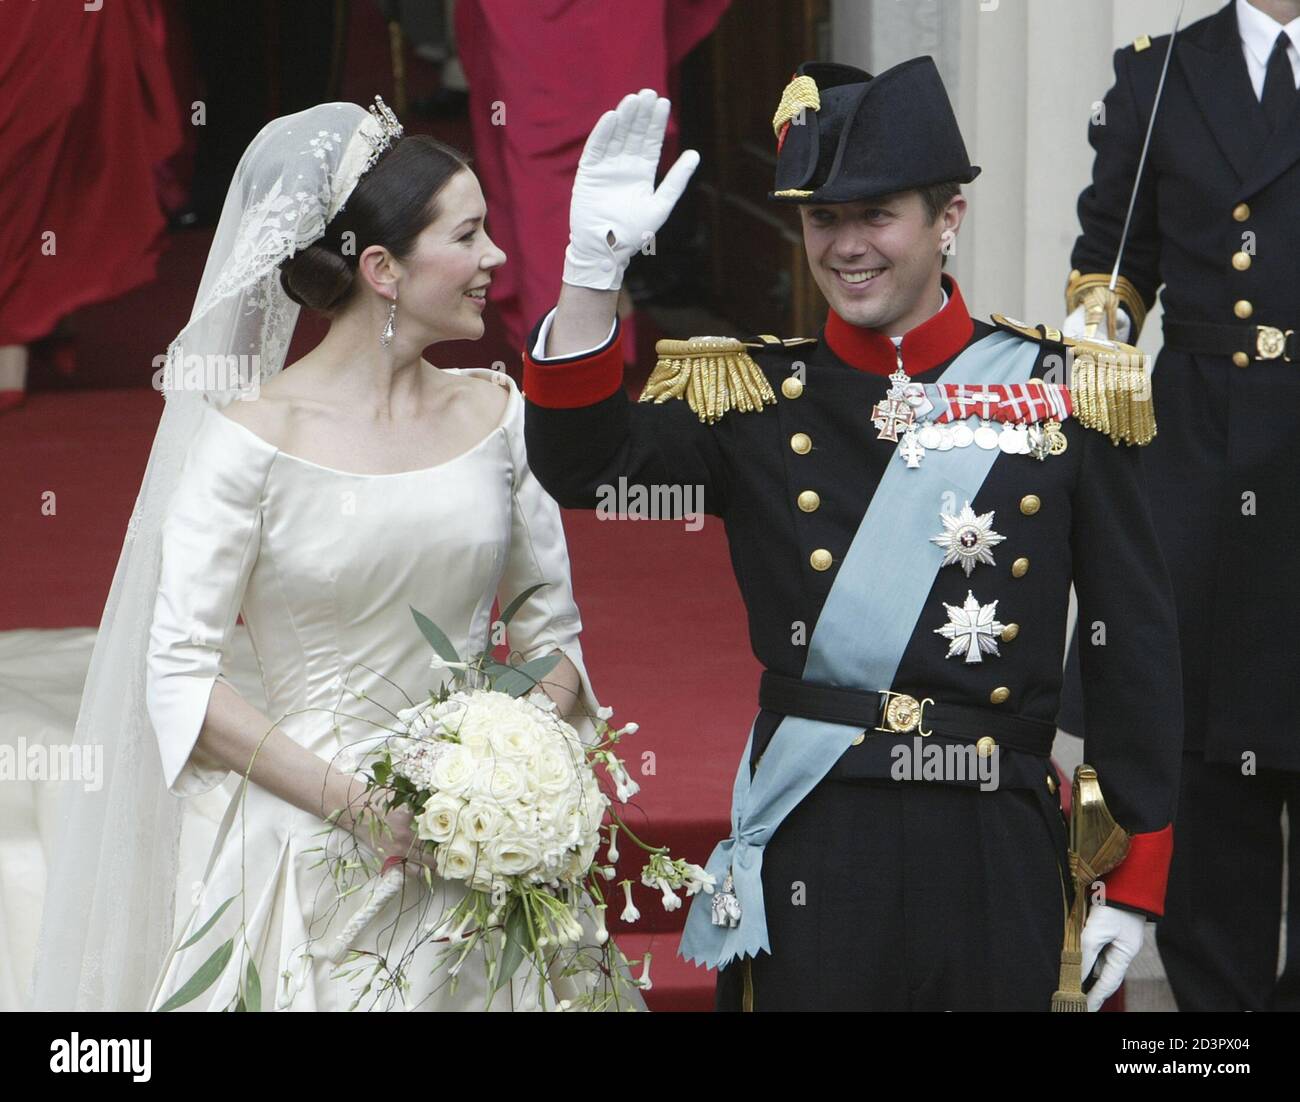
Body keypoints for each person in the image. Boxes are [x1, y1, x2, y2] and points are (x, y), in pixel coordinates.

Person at [521, 67, 1183, 1011]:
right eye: (821, 218)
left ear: (948, 216)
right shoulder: (753, 397)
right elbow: (587, 470)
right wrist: (592, 275)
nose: (845, 246)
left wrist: (1135, 873)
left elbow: (1135, 640)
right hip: (817, 830)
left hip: (993, 838)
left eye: (874, 214)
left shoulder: (1065, 392)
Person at [28, 98, 613, 1012]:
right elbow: (181, 674)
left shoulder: (502, 414)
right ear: (382, 268)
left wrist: (515, 768)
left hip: (490, 860)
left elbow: (551, 628)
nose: (496, 258)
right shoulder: (249, 440)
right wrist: (368, 809)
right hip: (310, 855)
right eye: (469, 235)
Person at [1063, 0, 1300, 1011]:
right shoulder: (1156, 73)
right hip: (1207, 457)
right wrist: (1097, 338)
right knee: (1209, 772)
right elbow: (1112, 262)